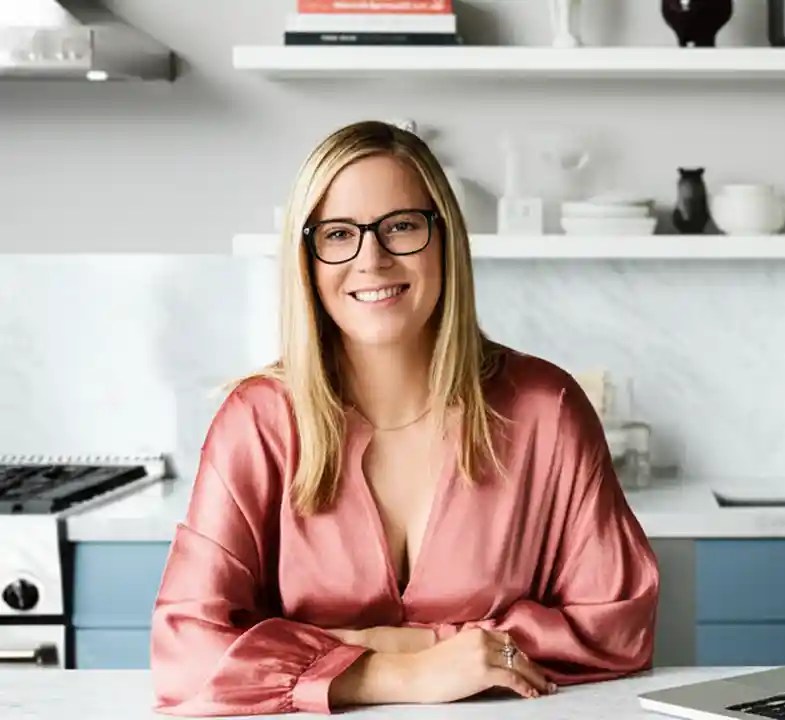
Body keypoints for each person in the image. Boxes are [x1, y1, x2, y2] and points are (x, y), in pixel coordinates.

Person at [149, 120, 660, 716]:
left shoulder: (547, 409)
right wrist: (396, 672)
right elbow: (183, 655)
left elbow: (619, 630)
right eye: (339, 234)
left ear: (445, 239)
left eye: (401, 227)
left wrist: (407, 643)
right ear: (307, 260)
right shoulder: (257, 420)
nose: (373, 258)